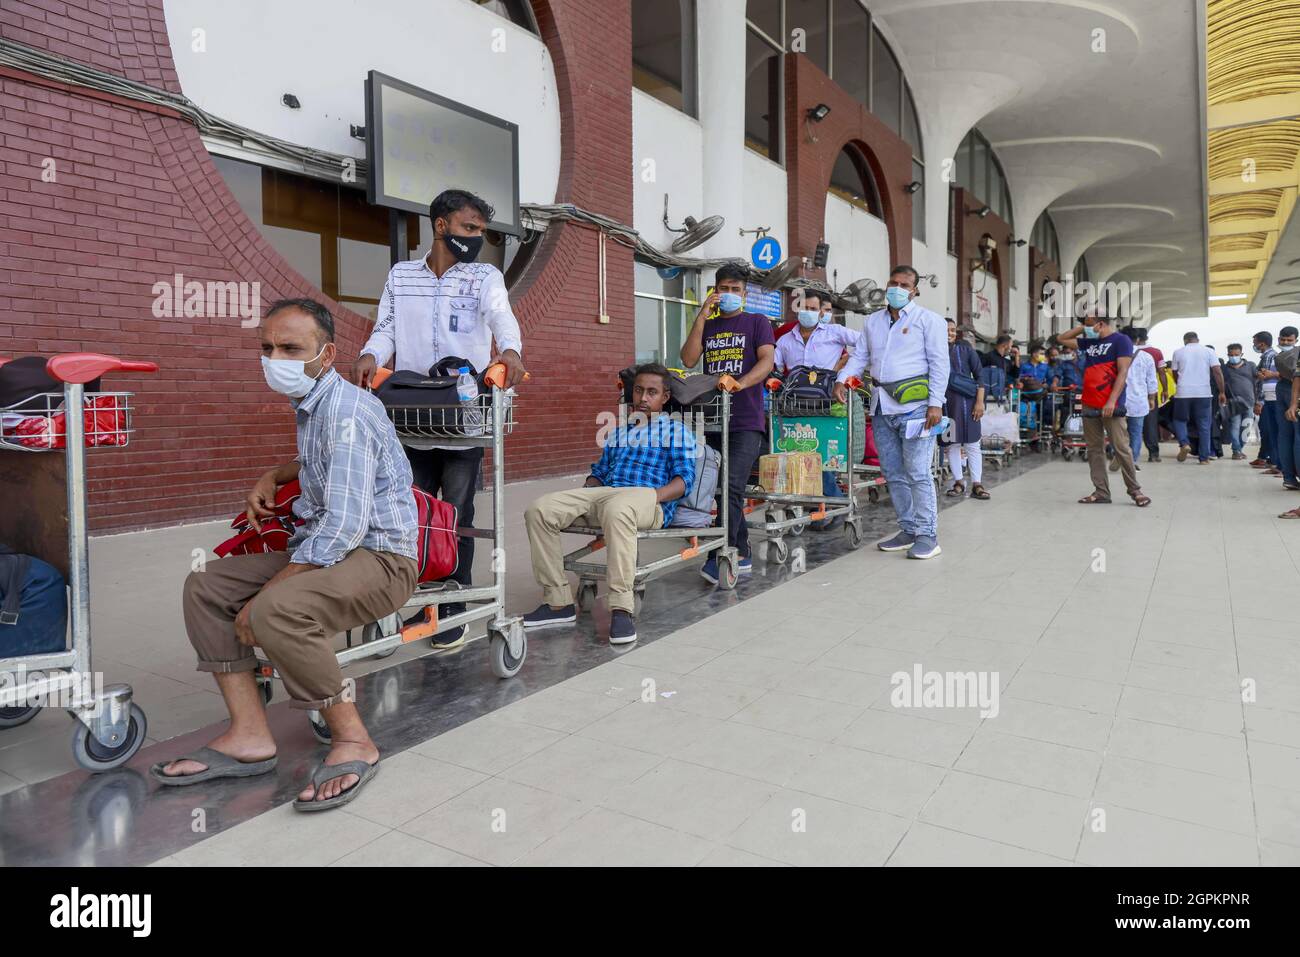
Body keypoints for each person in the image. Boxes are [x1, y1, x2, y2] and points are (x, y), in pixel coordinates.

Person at [154, 299, 419, 811]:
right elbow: (319, 462)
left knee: (278, 608)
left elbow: (343, 525)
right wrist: (274, 475)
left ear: (327, 353)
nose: (275, 358)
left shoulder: (349, 410)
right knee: (205, 586)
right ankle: (250, 735)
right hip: (329, 547)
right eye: (268, 348)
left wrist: (268, 594)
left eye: (290, 348)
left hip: (381, 558)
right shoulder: (316, 405)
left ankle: (353, 740)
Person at [353, 189, 526, 648]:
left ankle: (454, 603)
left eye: (482, 232)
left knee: (458, 512)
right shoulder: (402, 275)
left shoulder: (484, 276)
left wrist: (510, 350)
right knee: (409, 510)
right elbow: (385, 327)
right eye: (469, 228)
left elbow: (501, 316)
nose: (476, 239)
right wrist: (371, 354)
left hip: (464, 415)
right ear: (441, 225)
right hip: (412, 413)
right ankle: (412, 592)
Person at [521, 364, 695, 644]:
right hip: (608, 493)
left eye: (652, 392)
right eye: (638, 390)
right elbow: (600, 473)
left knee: (618, 509)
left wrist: (653, 497)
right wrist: (586, 498)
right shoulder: (619, 432)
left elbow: (685, 480)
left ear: (664, 398)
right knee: (540, 510)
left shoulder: (676, 431)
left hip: (648, 497)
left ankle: (621, 609)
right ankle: (558, 603)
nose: (643, 398)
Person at [833, 265, 950, 558]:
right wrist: (841, 380)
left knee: (918, 472)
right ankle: (908, 529)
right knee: (894, 473)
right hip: (882, 406)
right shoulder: (873, 322)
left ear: (915, 290)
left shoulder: (929, 321)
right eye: (892, 283)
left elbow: (939, 364)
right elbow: (859, 357)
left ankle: (927, 535)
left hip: (917, 408)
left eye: (904, 284)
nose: (896, 289)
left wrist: (935, 403)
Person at [681, 262, 775, 582]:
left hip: (746, 418)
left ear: (745, 294)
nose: (730, 294)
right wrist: (701, 317)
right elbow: (688, 359)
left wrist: (742, 382)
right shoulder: (708, 326)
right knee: (720, 489)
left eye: (737, 290)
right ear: (715, 291)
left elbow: (767, 360)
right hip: (711, 419)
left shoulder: (756, 322)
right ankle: (743, 549)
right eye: (725, 289)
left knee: (730, 485)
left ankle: (720, 553)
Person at [774, 289, 860, 527]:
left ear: (820, 311)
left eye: (813, 309)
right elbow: (774, 368)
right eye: (804, 308)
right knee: (801, 456)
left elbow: (866, 345)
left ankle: (836, 503)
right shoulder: (784, 341)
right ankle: (825, 507)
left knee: (823, 459)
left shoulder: (835, 333)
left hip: (829, 406)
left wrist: (846, 372)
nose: (808, 313)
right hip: (795, 408)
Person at [1057, 311, 1150, 506]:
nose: (1087, 329)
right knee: (1094, 449)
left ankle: (1135, 490)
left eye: (1090, 324)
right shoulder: (1090, 343)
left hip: (1111, 405)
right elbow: (1062, 338)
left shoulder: (1121, 340)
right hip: (1089, 403)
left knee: (1121, 447)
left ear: (1101, 324)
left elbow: (1123, 372)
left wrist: (1111, 401)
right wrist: (1085, 325)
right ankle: (1101, 492)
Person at [941, 317, 988, 499]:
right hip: (945, 405)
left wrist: (979, 402)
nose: (950, 333)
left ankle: (977, 483)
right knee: (951, 444)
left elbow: (980, 376)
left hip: (968, 404)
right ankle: (959, 482)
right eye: (946, 330)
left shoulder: (966, 350)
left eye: (952, 330)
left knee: (972, 444)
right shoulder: (933, 351)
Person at [1170, 331, 1226, 464]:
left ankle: (1184, 444)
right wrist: (1222, 392)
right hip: (1203, 393)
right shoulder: (1208, 351)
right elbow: (1217, 372)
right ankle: (1204, 458)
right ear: (1197, 340)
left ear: (1185, 341)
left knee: (1179, 420)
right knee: (1204, 425)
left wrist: (1181, 385)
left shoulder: (1178, 352)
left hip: (1183, 393)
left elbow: (1174, 372)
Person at [1116, 326, 1158, 474]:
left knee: (1118, 432)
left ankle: (1119, 455)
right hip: (1138, 400)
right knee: (1136, 432)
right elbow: (1151, 380)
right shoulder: (1146, 357)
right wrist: (1151, 398)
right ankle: (1132, 462)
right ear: (1138, 339)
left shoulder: (1115, 354)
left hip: (1117, 399)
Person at [1130, 326, 1166, 461]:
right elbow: (1161, 373)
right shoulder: (1155, 353)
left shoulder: (1121, 352)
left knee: (1123, 426)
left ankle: (1121, 453)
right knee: (1149, 423)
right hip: (1146, 394)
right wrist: (1164, 390)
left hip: (1123, 394)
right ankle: (1153, 454)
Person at [1272, 326, 1300, 490]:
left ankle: (1289, 477)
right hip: (1295, 393)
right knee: (1297, 436)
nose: (1286, 342)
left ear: (1295, 339)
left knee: (1285, 436)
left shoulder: (1279, 356)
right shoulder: (1296, 352)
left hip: (1282, 390)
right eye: (1283, 339)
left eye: (1289, 340)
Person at [1221, 343, 1258, 460]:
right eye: (1231, 355)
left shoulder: (1251, 366)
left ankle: (1239, 449)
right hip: (1234, 403)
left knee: (1246, 427)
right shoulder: (1224, 369)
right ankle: (1236, 451)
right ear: (1227, 355)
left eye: (1236, 354)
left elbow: (1257, 383)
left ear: (1241, 354)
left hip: (1250, 402)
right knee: (1235, 426)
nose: (1233, 357)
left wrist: (1258, 401)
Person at [1253, 331, 1279, 471]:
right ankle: (1266, 458)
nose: (1254, 345)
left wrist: (1259, 402)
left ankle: (1273, 461)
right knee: (1268, 430)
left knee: (1268, 430)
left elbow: (1265, 380)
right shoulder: (1269, 356)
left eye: (1255, 342)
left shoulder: (1269, 356)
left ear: (1261, 343)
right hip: (1270, 398)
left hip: (1268, 398)